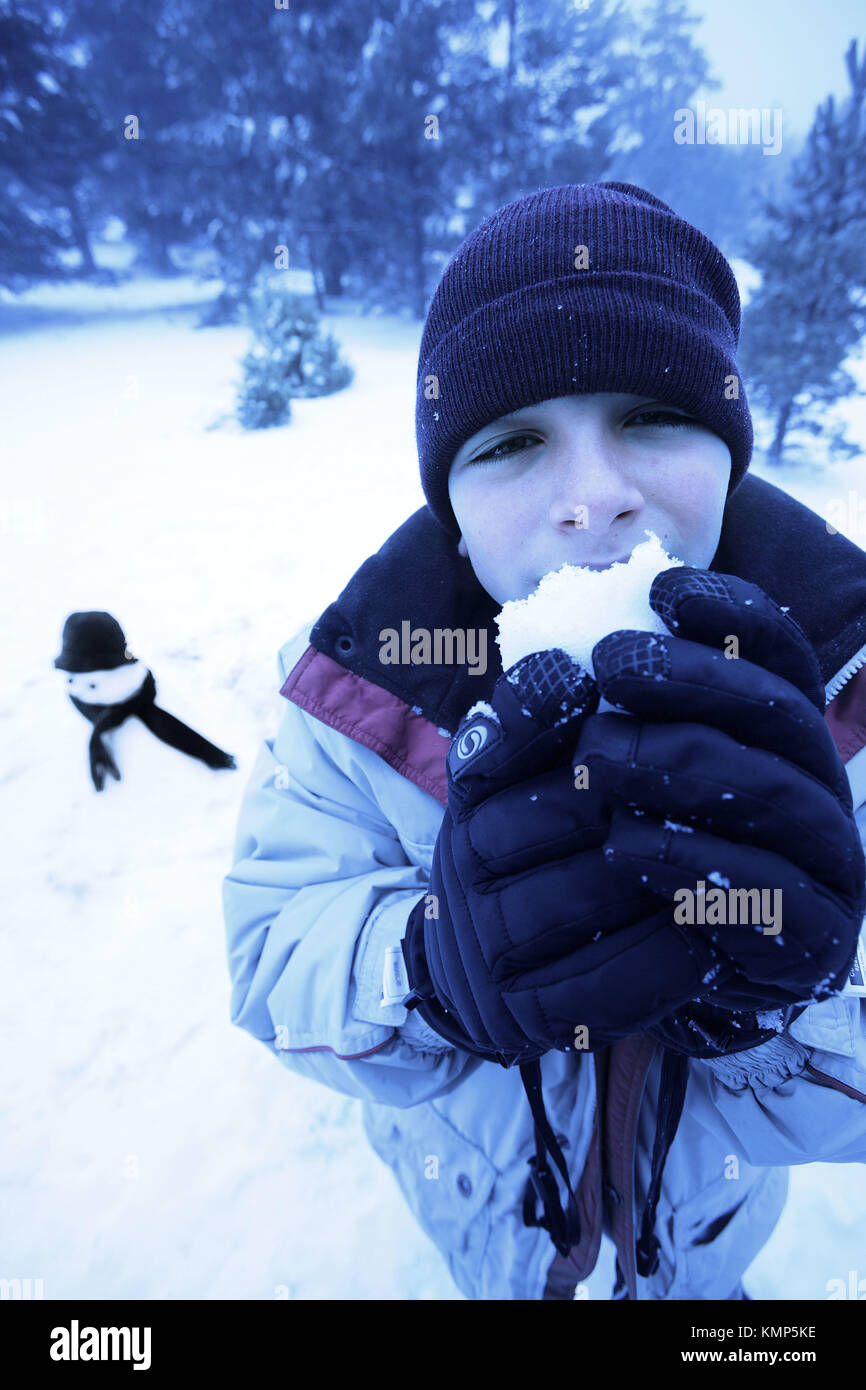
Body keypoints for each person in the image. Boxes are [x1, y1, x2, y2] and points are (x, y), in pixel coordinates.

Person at [222, 182, 866, 1301]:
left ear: (728, 455)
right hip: (488, 1220)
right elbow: (272, 949)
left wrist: (795, 992)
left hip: (709, 1229)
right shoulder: (357, 696)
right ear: (453, 514)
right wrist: (425, 969)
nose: (591, 499)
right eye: (514, 440)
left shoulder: (844, 685)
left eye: (652, 417)